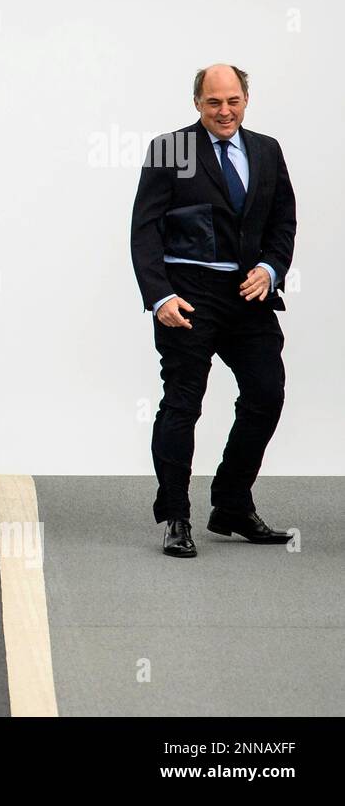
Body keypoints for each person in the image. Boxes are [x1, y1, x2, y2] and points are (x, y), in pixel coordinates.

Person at [130, 64, 296, 558]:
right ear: (197, 103)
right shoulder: (173, 149)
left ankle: (231, 504)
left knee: (267, 392)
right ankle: (176, 516)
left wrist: (270, 267)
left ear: (246, 99)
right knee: (183, 403)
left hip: (248, 294)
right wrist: (160, 296)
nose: (224, 112)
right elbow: (145, 229)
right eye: (213, 103)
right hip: (189, 294)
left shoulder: (266, 150)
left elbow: (284, 221)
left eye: (233, 102)